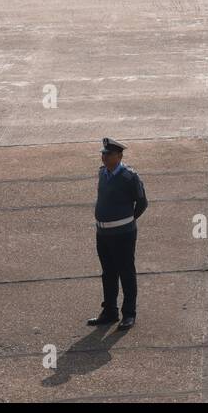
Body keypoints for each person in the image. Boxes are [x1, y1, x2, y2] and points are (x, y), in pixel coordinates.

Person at [87, 138, 148, 330]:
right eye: (103, 154)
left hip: (123, 234)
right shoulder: (102, 173)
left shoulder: (129, 177)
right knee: (108, 273)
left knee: (126, 273)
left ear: (119, 156)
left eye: (108, 154)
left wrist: (128, 220)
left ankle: (129, 313)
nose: (104, 157)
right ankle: (109, 311)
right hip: (103, 233)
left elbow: (142, 202)